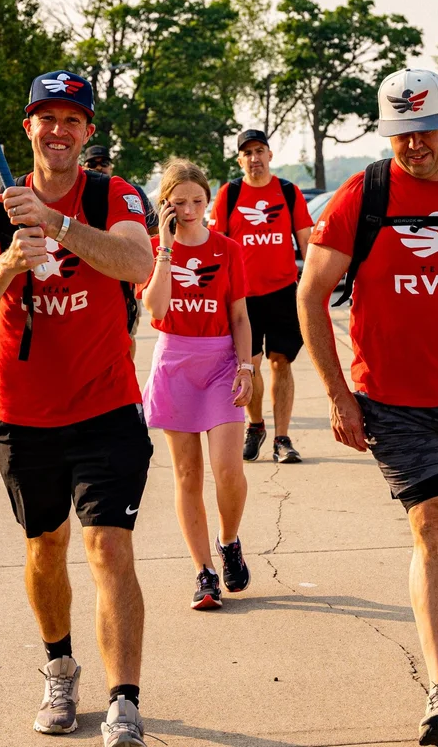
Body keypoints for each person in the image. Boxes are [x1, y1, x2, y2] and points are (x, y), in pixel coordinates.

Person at [297, 69, 438, 747]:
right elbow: (311, 295)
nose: (413, 145)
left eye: (423, 129)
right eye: (399, 132)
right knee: (434, 525)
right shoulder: (362, 195)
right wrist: (339, 394)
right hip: (393, 401)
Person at [0, 71, 156, 747]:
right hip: (25, 414)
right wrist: (11, 260)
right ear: (27, 127)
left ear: (88, 131)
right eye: (48, 118)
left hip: (104, 406)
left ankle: (124, 698)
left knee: (108, 546)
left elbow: (136, 262)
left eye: (73, 119)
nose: (60, 130)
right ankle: (60, 667)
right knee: (46, 547)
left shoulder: (111, 193)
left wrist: (61, 225)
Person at [140, 157, 255, 610]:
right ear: (165, 204)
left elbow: (241, 316)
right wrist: (166, 248)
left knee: (228, 469)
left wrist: (246, 367)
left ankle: (229, 540)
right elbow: (157, 308)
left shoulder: (227, 248)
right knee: (188, 474)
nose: (189, 210)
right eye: (179, 202)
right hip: (175, 362)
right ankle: (204, 572)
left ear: (208, 200)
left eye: (198, 201)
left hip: (221, 363)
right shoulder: (152, 249)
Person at [210, 129, 313, 463]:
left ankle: (282, 439)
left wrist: (314, 288)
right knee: (249, 366)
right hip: (243, 298)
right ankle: (256, 426)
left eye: (259, 151)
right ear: (240, 159)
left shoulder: (287, 191)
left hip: (283, 292)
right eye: (247, 153)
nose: (254, 159)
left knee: (280, 362)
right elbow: (217, 244)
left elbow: (307, 242)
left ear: (270, 155)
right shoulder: (230, 193)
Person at [85, 143, 159, 360]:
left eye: (104, 163)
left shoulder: (130, 192)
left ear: (112, 166)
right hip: (87, 278)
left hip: (123, 279)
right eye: (92, 163)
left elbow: (153, 229)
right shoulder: (76, 194)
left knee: (126, 336)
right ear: (83, 165)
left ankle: (127, 381)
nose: (99, 167)